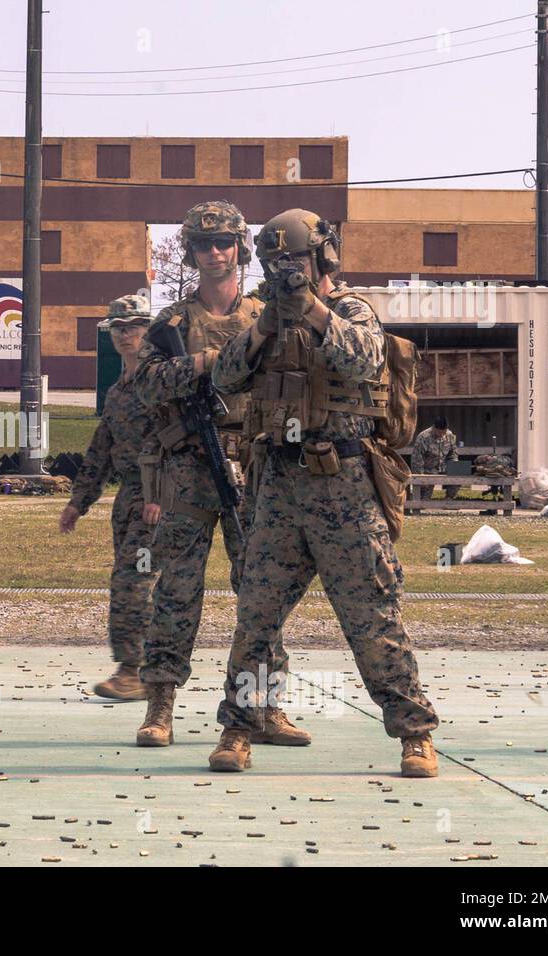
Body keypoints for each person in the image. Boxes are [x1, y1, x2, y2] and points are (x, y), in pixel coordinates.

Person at [209, 208, 440, 778]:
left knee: (372, 617)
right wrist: (267, 325)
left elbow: (362, 358)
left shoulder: (351, 311)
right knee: (257, 616)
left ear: (323, 258)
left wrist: (310, 308)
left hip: (345, 487)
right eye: (278, 263)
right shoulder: (264, 322)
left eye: (298, 260)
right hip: (279, 488)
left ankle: (414, 733)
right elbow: (224, 377)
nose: (289, 271)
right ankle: (238, 727)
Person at [128, 201, 307, 749]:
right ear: (191, 252)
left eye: (225, 242)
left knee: (260, 592)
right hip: (187, 468)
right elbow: (146, 388)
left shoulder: (264, 317)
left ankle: (264, 705)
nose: (215, 253)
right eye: (204, 245)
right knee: (177, 591)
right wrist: (203, 366)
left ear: (241, 249)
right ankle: (160, 706)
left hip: (253, 467)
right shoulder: (172, 324)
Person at [60, 295, 159, 702]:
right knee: (137, 581)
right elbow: (100, 451)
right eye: (118, 327)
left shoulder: (160, 382)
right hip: (129, 499)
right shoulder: (119, 390)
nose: (125, 334)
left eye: (134, 326)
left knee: (133, 581)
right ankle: (150, 667)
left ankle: (134, 671)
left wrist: (159, 493)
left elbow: (176, 441)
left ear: (148, 330)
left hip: (158, 499)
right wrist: (77, 503)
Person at [411, 417, 459, 500]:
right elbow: (417, 460)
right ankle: (422, 498)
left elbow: (453, 453)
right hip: (428, 469)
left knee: (460, 470)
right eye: (439, 432)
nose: (441, 435)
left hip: (443, 466)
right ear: (434, 427)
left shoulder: (450, 435)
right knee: (423, 500)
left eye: (443, 432)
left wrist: (454, 464)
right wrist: (420, 477)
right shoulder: (423, 437)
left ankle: (449, 498)